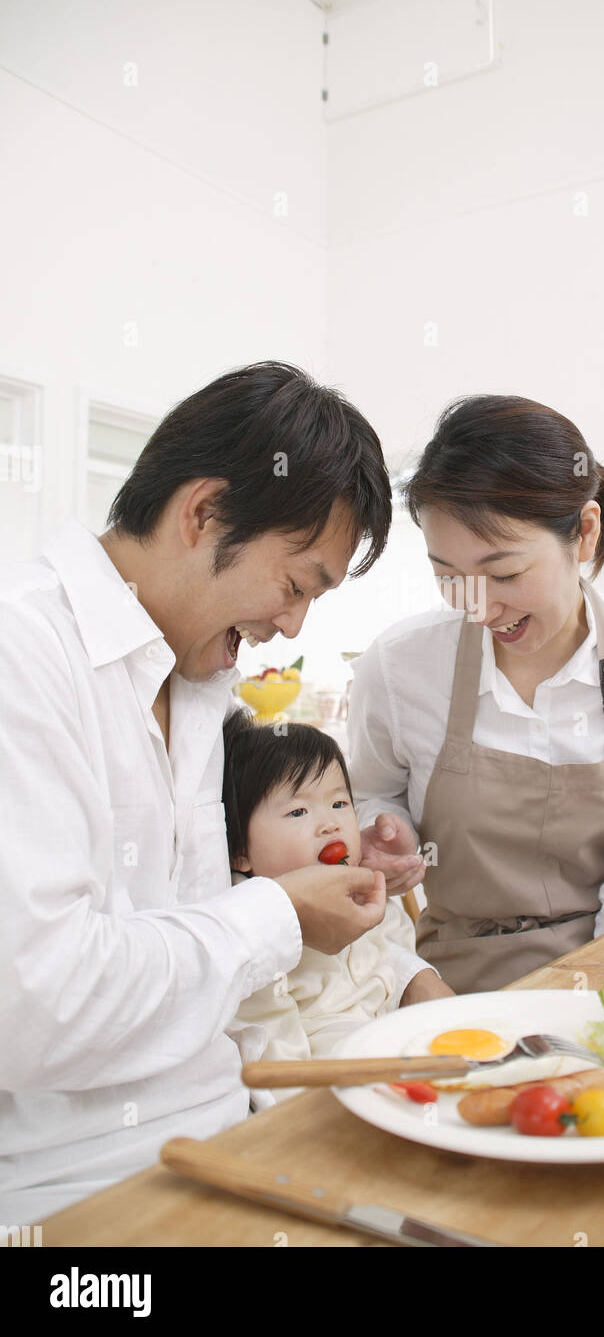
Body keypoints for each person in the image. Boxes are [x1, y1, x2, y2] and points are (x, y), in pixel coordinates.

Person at [0, 361, 434, 1226]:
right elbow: (35, 1004)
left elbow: (189, 930)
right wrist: (279, 911)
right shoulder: (25, 655)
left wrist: (333, 865)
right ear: (202, 514)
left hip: (235, 1129)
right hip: (81, 1190)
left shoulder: (198, 683)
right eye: (297, 582)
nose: (293, 624)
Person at [347, 394, 604, 994]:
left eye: (506, 574)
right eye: (448, 576)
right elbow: (369, 801)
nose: (479, 606)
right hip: (447, 986)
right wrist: (384, 838)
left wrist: (595, 1016)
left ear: (585, 533)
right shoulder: (397, 666)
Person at [222, 709, 454, 1103]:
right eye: (298, 811)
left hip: (408, 1068)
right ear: (241, 852)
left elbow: (389, 962)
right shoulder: (256, 949)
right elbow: (279, 1067)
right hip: (339, 1098)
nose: (329, 824)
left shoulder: (360, 892)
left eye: (339, 804)